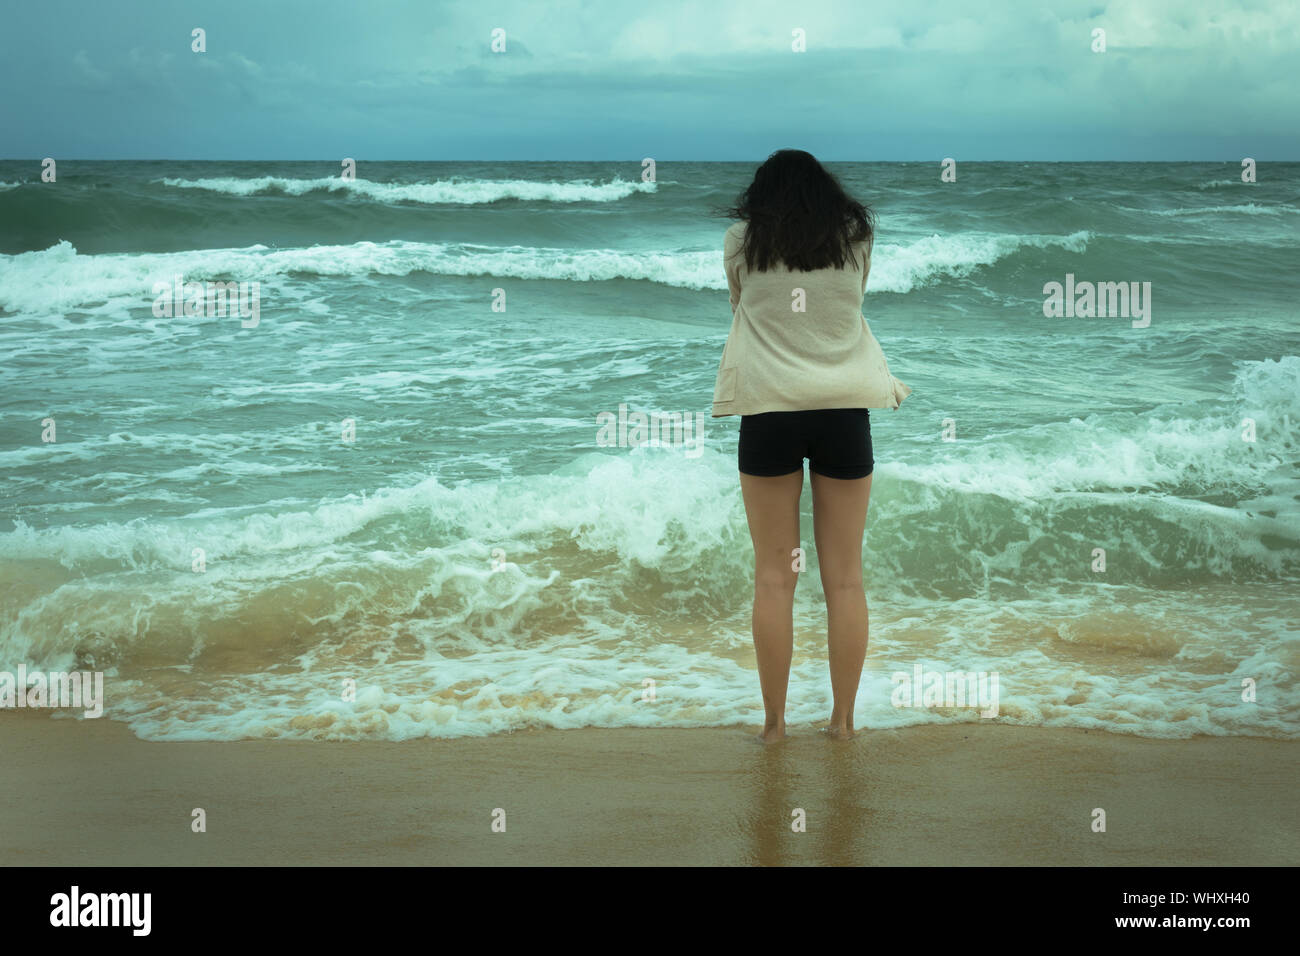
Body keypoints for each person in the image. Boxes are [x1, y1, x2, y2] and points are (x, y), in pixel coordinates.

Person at [712, 149, 911, 742]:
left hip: (768, 410)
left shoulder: (742, 240)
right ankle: (842, 724)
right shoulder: (856, 238)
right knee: (845, 579)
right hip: (843, 411)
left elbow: (740, 305)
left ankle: (774, 727)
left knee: (775, 578)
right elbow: (851, 305)